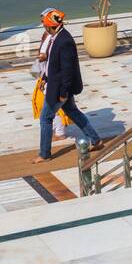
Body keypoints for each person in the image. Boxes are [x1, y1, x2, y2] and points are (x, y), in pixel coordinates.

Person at [32, 8, 104, 162]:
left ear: (51, 26)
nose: (45, 28)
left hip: (59, 88)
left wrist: (63, 92)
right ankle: (96, 140)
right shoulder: (55, 38)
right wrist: (45, 76)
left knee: (45, 118)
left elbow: (67, 70)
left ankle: (44, 154)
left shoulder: (65, 41)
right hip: (55, 84)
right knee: (73, 112)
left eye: (45, 26)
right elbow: (52, 63)